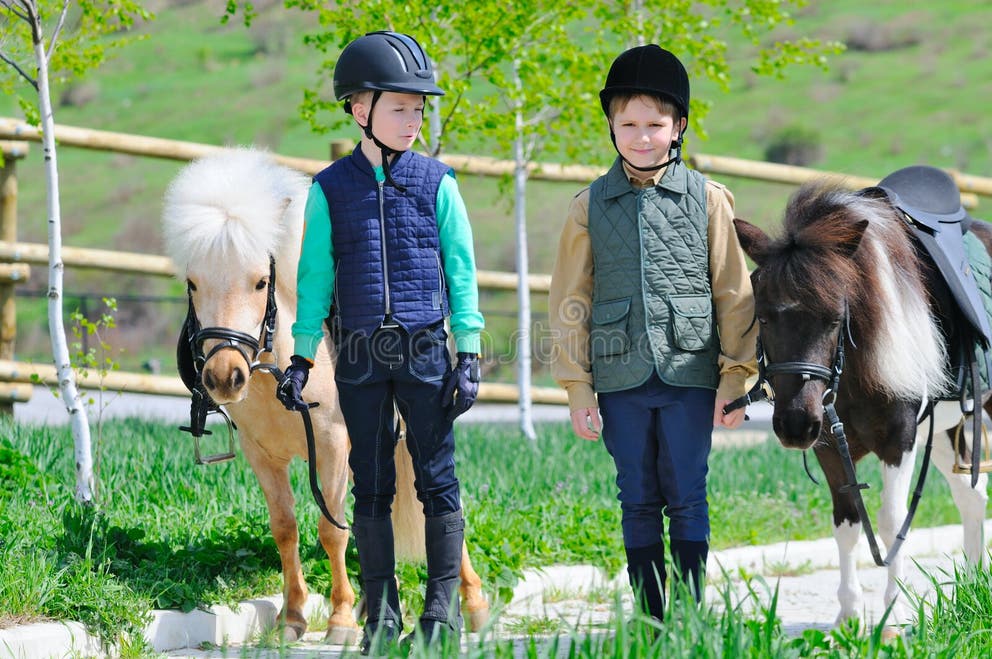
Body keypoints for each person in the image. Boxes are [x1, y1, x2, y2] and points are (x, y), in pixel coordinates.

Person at [275, 30, 485, 654]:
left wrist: (469, 352)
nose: (414, 120)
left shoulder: (438, 183)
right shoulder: (328, 189)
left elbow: (462, 272)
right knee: (370, 484)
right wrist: (302, 357)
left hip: (425, 351)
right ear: (359, 110)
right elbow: (313, 284)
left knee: (437, 480)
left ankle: (441, 610)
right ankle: (381, 614)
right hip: (360, 357)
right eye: (401, 108)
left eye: (420, 109)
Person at [548, 44, 757, 621]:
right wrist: (577, 386)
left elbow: (734, 295)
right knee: (636, 496)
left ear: (679, 127)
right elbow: (570, 301)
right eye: (629, 124)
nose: (642, 137)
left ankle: (688, 617)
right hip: (619, 377)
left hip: (691, 374)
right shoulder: (587, 206)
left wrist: (736, 377)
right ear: (612, 127)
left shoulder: (710, 201)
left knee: (688, 492)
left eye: (655, 125)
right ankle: (650, 616)